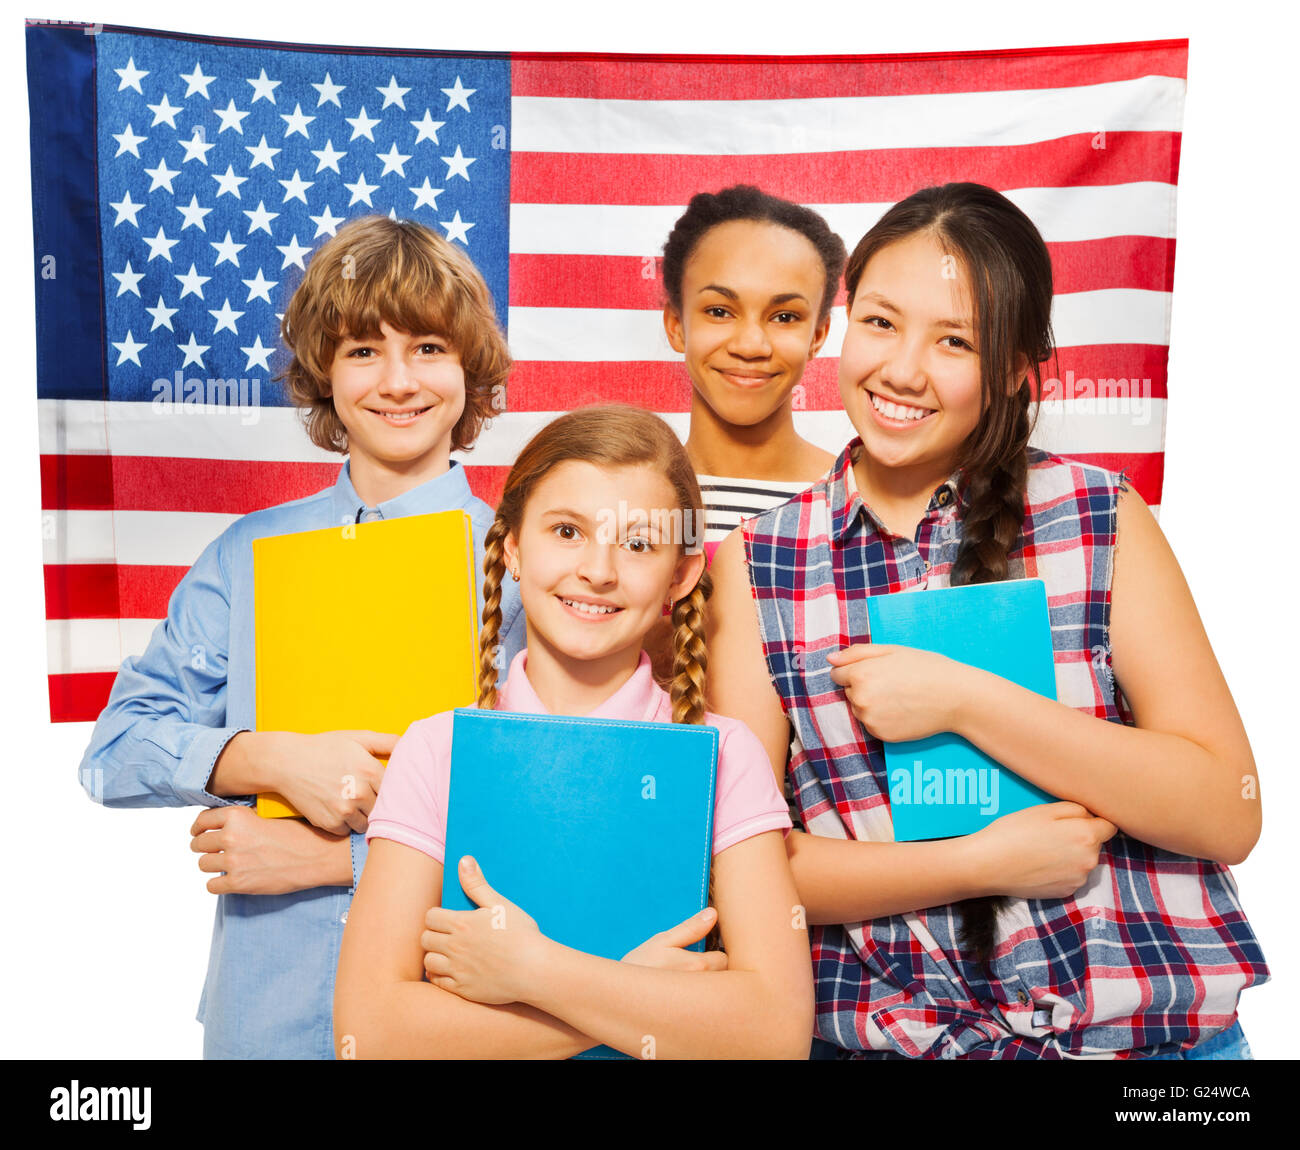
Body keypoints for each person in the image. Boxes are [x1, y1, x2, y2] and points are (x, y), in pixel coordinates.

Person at [706, 182, 1268, 1059]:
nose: (902, 369)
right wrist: (980, 864)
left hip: (1156, 1056)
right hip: (894, 1042)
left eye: (955, 340)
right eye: (882, 322)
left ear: (1013, 367)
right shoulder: (759, 564)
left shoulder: (1096, 515)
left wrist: (968, 701)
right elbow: (746, 867)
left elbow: (1225, 811)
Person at [77, 214, 525, 1059]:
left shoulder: (528, 561)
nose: (398, 381)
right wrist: (267, 760)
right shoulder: (246, 555)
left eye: (429, 348)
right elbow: (114, 752)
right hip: (266, 1015)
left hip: (452, 1016)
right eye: (363, 351)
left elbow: (551, 803)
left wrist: (338, 860)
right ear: (324, 372)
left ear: (472, 369)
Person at [334, 404, 813, 1059]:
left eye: (638, 542)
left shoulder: (724, 756)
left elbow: (774, 1031)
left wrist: (534, 972)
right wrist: (634, 1000)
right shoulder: (439, 749)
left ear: (681, 575)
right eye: (566, 531)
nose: (598, 569)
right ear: (513, 550)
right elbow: (371, 1030)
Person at [661, 185, 847, 561]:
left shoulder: (856, 503)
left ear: (819, 335)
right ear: (676, 325)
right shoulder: (625, 498)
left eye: (784, 317)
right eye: (719, 311)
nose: (750, 345)